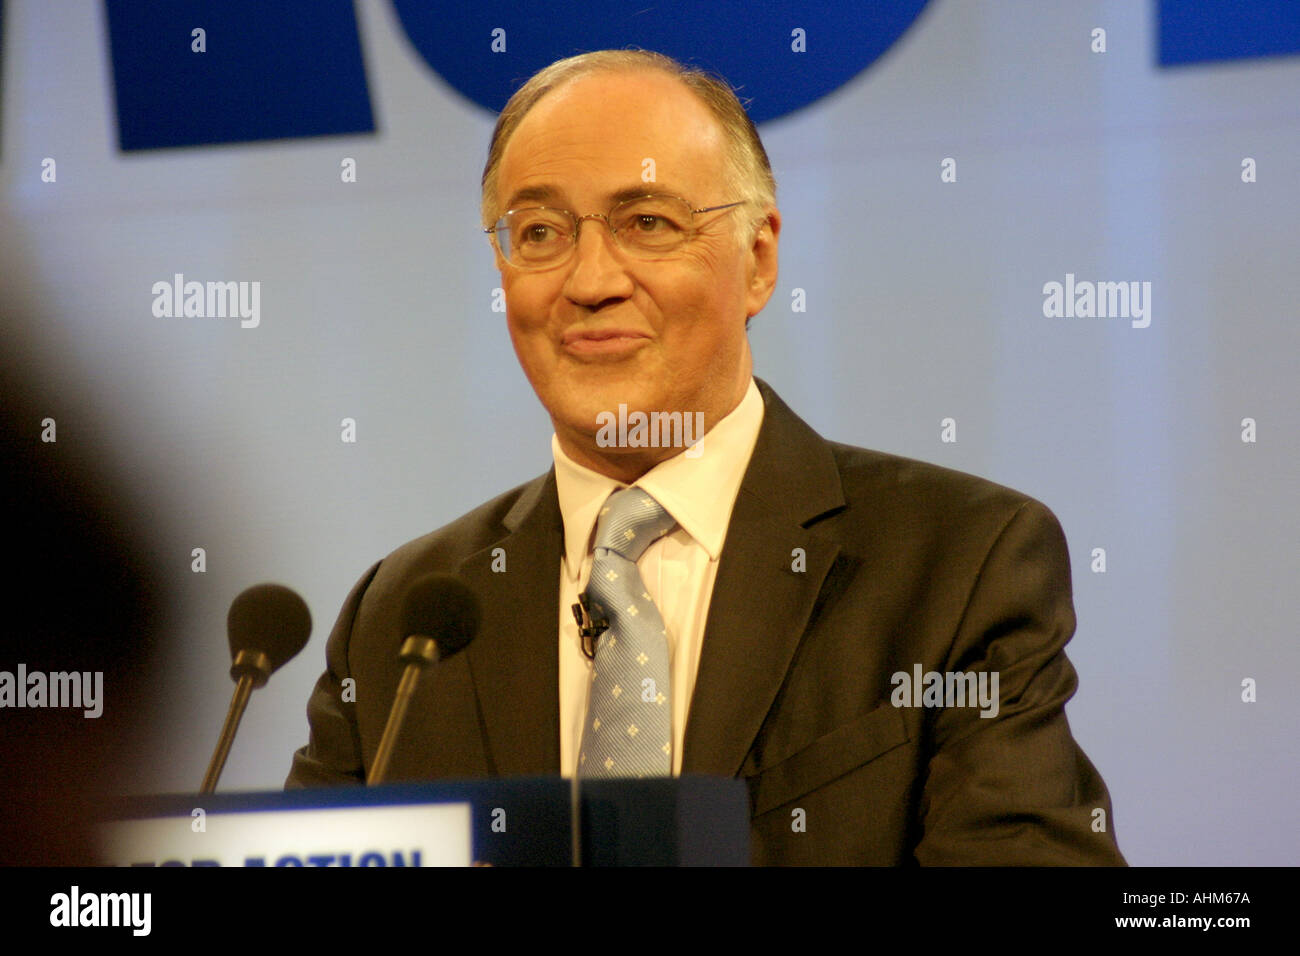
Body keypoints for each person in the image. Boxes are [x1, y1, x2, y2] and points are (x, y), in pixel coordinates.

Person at [286, 49, 1125, 865]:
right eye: (538, 231)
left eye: (647, 223)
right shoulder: (404, 621)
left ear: (757, 261)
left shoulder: (957, 563)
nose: (590, 281)